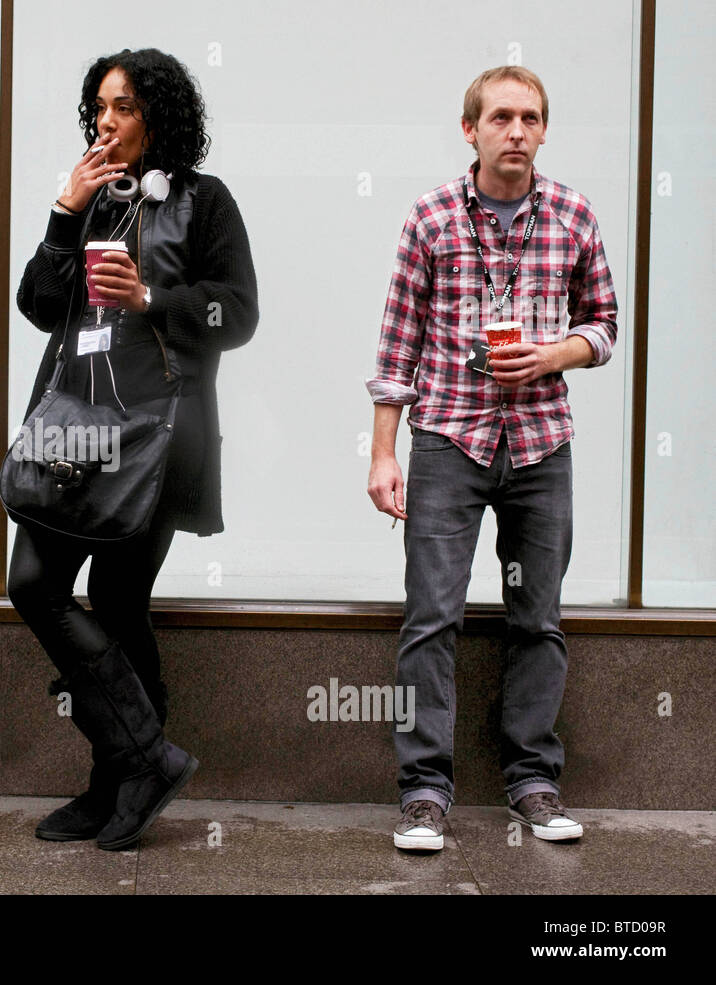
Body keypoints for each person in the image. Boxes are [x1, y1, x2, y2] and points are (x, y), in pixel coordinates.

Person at [10, 49, 259, 850]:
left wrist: (151, 299)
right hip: (74, 429)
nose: (106, 122)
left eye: (123, 107)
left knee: (119, 605)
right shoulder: (89, 200)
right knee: (34, 584)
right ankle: (142, 758)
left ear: (159, 115)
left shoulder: (204, 201)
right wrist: (61, 211)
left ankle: (112, 781)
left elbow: (239, 313)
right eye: (99, 108)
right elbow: (41, 308)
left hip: (160, 434)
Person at [365, 67, 617, 851]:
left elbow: (604, 326)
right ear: (470, 128)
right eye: (501, 116)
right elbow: (397, 343)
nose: (517, 130)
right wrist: (382, 454)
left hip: (542, 442)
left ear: (544, 131)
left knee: (538, 618)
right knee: (430, 617)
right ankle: (424, 793)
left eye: (530, 118)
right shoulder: (432, 216)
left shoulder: (573, 214)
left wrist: (552, 356)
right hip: (447, 438)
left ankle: (534, 782)